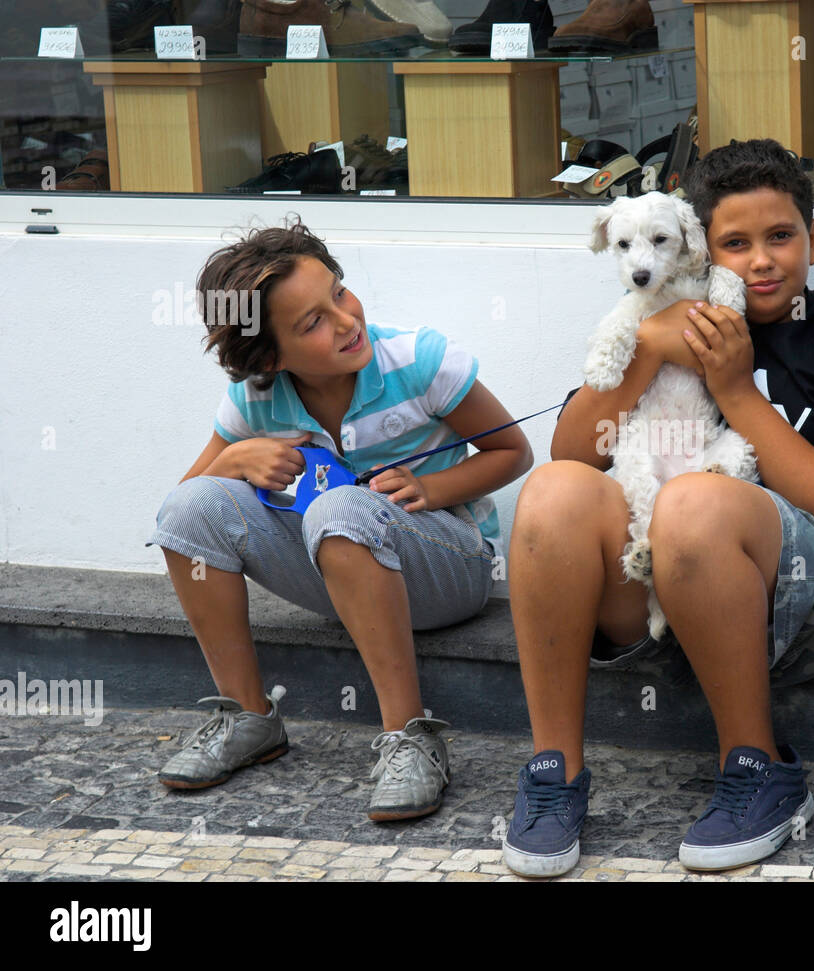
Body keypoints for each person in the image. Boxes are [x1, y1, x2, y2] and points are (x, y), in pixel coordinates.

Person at [502, 139, 814, 876]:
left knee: (694, 500)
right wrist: (649, 352)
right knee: (551, 493)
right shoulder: (667, 310)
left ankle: (760, 768)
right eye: (735, 243)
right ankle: (553, 772)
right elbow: (573, 451)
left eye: (780, 236)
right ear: (697, 246)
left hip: (795, 612)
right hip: (655, 597)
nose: (760, 260)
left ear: (813, 239)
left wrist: (734, 390)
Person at [146, 221, 532, 822]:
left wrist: (431, 487)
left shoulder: (419, 360)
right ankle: (249, 717)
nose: (347, 320)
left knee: (339, 507)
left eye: (340, 293)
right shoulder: (257, 395)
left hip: (450, 569)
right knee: (191, 505)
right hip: (335, 572)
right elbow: (188, 509)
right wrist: (232, 460)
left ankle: (410, 737)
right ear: (270, 354)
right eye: (314, 322)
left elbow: (513, 452)